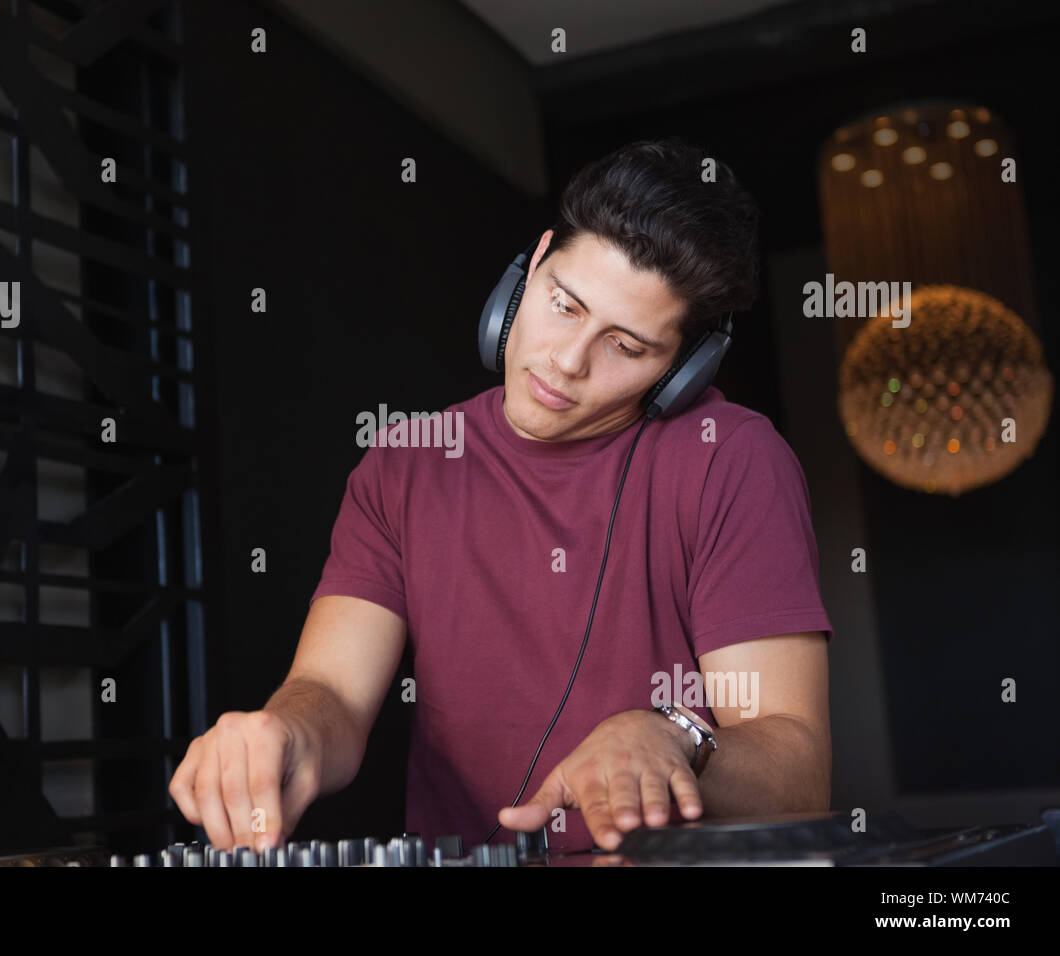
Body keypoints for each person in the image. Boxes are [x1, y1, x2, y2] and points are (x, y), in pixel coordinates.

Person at [169, 138, 834, 854]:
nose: (567, 361)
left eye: (627, 348)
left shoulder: (732, 459)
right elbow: (330, 694)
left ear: (685, 370)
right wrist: (285, 731)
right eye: (564, 304)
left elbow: (794, 767)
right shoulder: (405, 464)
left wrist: (670, 740)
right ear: (534, 263)